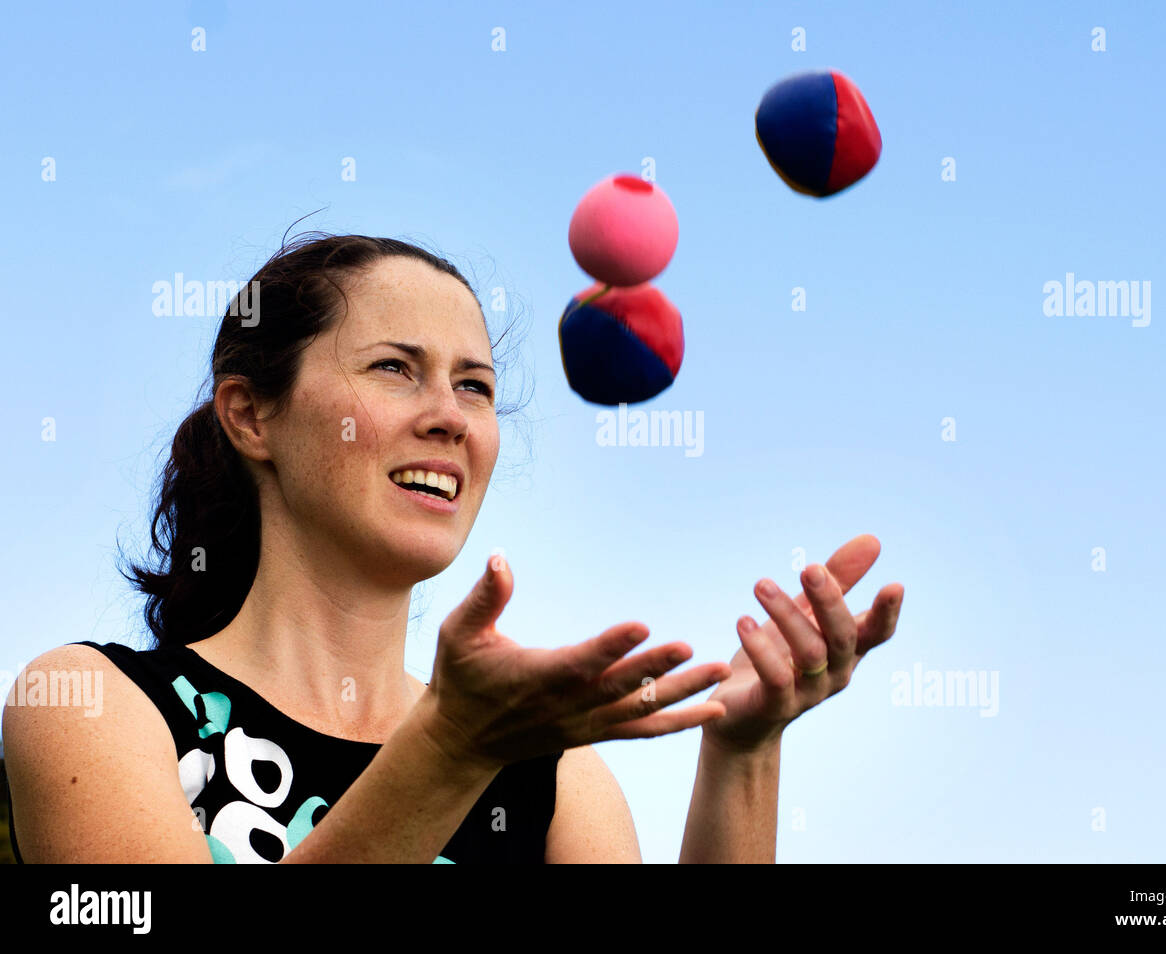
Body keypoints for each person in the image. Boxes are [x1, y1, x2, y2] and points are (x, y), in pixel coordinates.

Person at [1, 232, 904, 863]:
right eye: (395, 368)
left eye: (475, 386)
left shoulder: (550, 779)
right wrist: (450, 754)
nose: (450, 418)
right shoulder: (96, 708)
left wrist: (744, 755)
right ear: (251, 416)